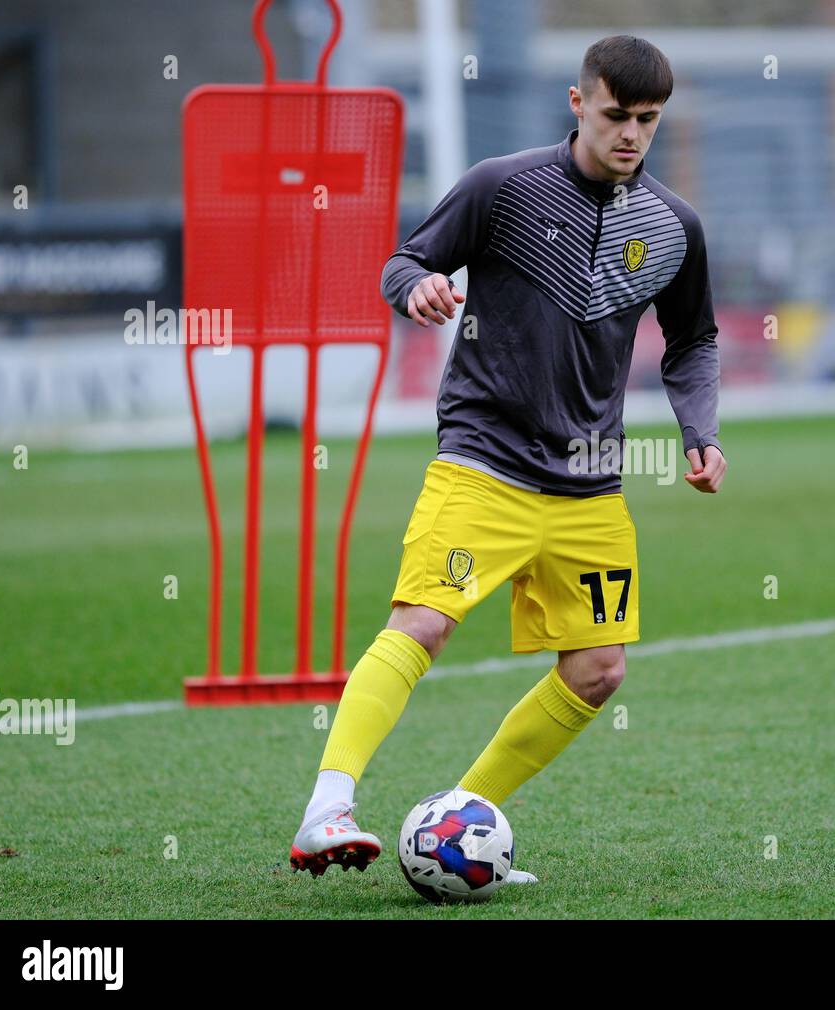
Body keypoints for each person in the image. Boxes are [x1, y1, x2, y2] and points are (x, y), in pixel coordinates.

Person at [290, 34, 725, 883]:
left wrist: (698, 431)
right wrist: (415, 286)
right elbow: (403, 259)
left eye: (647, 120)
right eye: (615, 115)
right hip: (483, 459)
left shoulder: (674, 227)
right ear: (577, 103)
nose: (631, 134)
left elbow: (694, 339)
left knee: (599, 672)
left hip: (592, 483)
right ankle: (325, 809)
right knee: (424, 621)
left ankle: (458, 820)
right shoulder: (503, 187)